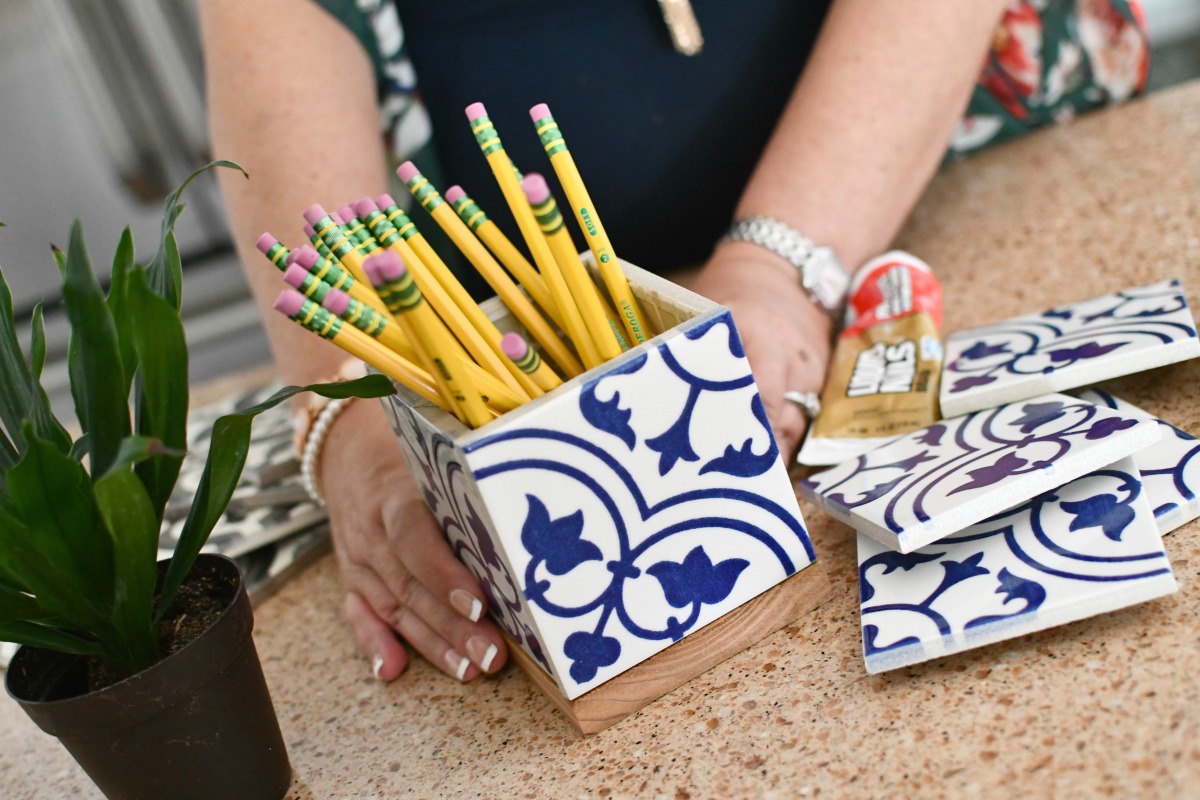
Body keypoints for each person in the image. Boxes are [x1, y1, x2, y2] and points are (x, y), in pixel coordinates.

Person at [198, 0, 1149, 683]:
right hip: (563, 384)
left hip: (992, 215)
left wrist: (774, 270)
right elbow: (296, 138)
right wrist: (356, 430)